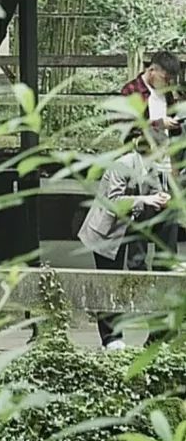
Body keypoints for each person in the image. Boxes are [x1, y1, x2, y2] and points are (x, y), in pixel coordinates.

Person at [78, 129, 170, 349]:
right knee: (109, 282)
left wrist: (162, 197)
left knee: (141, 276)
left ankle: (156, 335)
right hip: (107, 230)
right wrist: (145, 199)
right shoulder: (124, 164)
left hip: (134, 228)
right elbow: (115, 201)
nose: (166, 156)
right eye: (163, 151)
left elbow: (160, 191)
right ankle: (111, 338)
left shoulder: (159, 168)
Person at [121, 50, 182, 266]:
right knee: (141, 214)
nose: (168, 84)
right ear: (152, 70)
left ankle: (165, 264)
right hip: (141, 162)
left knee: (169, 214)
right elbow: (126, 129)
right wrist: (158, 124)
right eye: (165, 79)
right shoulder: (131, 91)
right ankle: (137, 269)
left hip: (165, 161)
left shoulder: (167, 94)